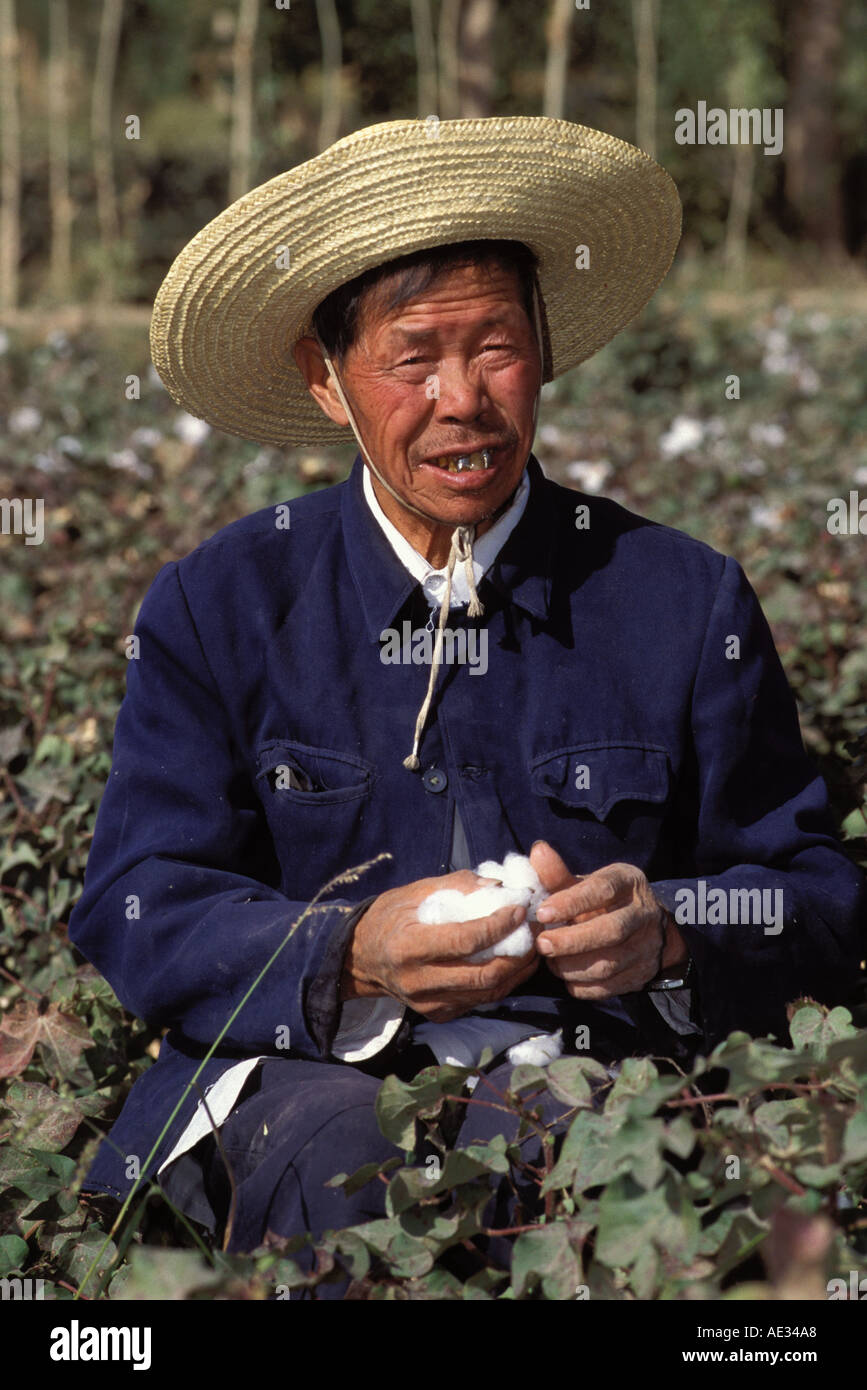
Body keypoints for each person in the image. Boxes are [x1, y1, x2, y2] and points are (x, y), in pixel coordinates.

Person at [68, 117, 866, 1292]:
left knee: (534, 1138)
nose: (462, 400)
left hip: (594, 1075)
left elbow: (816, 896)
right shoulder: (220, 603)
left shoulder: (682, 599)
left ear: (543, 346)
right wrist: (352, 950)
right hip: (298, 1076)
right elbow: (138, 906)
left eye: (495, 347)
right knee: (344, 1155)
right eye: (413, 355)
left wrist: (674, 924)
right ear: (324, 379)